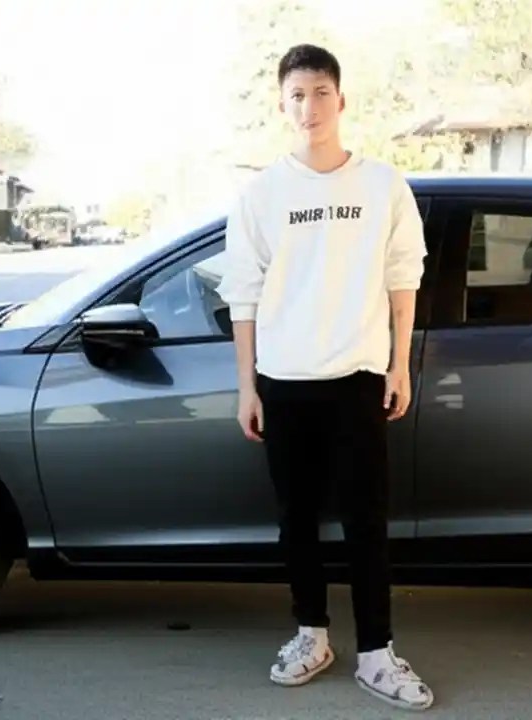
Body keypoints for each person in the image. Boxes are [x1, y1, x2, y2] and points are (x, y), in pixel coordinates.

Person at [215, 43, 434, 712]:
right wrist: (248, 386)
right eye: (295, 96)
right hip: (283, 380)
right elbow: (242, 294)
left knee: (367, 520)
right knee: (296, 519)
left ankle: (377, 653)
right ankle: (311, 635)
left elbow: (405, 276)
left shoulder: (382, 185)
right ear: (282, 106)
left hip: (357, 376)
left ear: (341, 99)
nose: (308, 106)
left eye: (319, 92)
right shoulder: (262, 193)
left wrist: (398, 365)